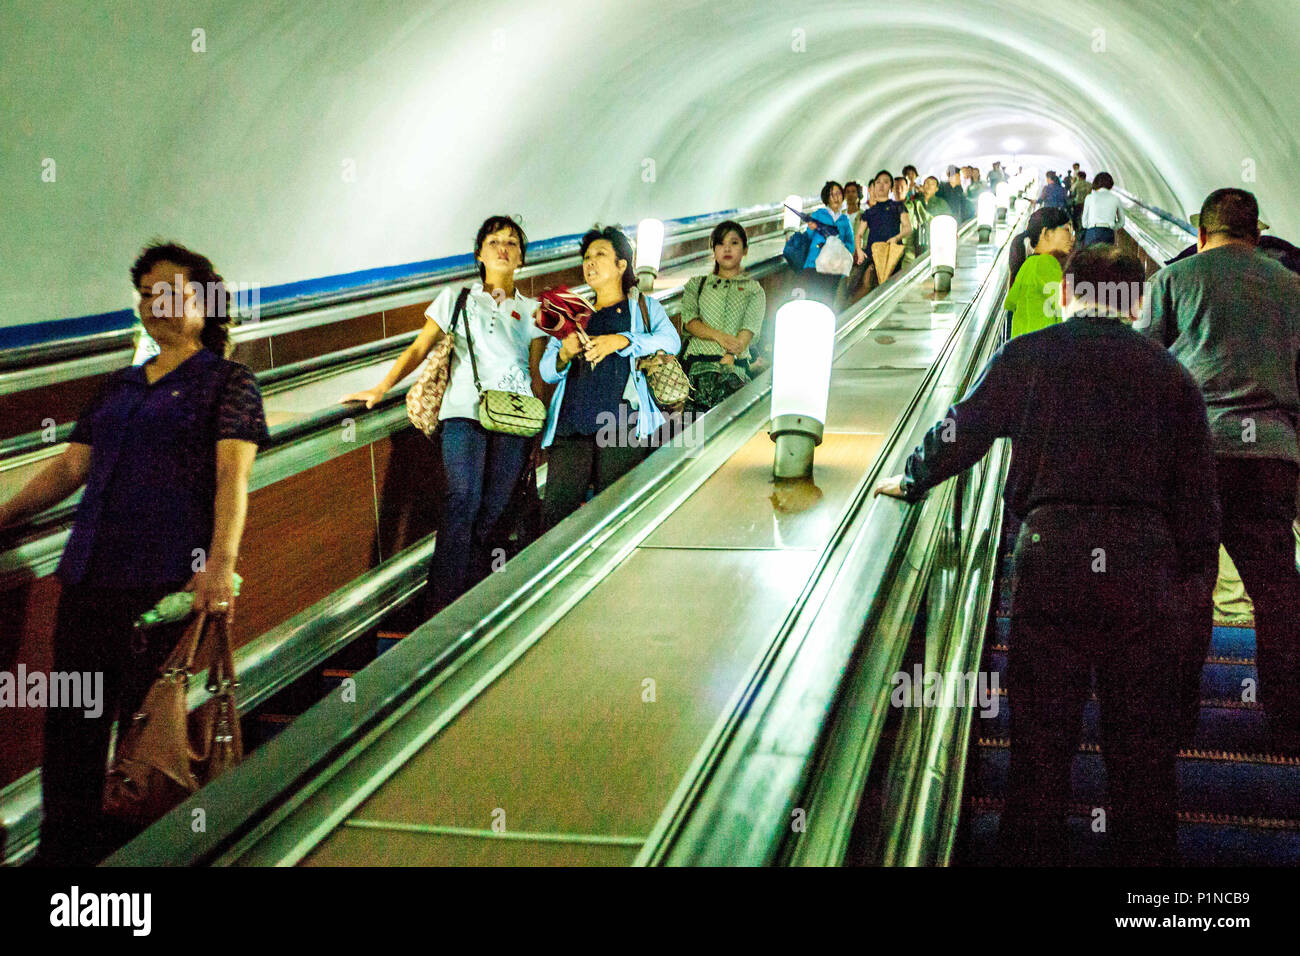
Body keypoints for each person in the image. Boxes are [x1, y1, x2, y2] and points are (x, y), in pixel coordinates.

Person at [875, 246, 1218, 866]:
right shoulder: (1172, 377)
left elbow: (964, 428)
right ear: (1137, 302)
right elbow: (1199, 516)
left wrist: (914, 476)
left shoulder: (1030, 355)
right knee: (1141, 754)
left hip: (1050, 552)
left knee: (1039, 743)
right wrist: (1193, 619)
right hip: (1143, 567)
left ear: (1066, 294)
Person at [0, 242, 269, 866]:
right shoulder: (117, 386)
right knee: (71, 732)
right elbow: (70, 468)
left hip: (163, 590)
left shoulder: (228, 383)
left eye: (171, 289)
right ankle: (64, 863)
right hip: (89, 584)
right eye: (147, 292)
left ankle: (142, 863)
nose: (157, 301)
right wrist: (4, 516)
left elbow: (234, 480)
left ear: (204, 302)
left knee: (144, 738)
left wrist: (221, 564)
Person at [1139, 187, 1300, 754]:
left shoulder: (1175, 280)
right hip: (1272, 458)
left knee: (1190, 586)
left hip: (1195, 454)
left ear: (1201, 235)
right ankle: (1287, 722)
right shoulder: (1292, 288)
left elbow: (1145, 369)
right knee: (1279, 591)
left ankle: (1175, 719)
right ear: (1257, 235)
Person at [342, 215, 546, 614]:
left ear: (521, 257)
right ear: (479, 254)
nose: (503, 248)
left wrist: (540, 432)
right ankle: (443, 604)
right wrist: (381, 387)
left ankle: (473, 592)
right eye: (494, 242)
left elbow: (536, 375)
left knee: (495, 507)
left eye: (511, 243)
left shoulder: (534, 310)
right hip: (464, 412)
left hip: (516, 419)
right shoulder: (456, 298)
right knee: (462, 497)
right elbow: (419, 349)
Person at [540, 226, 680, 529]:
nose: (590, 262)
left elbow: (671, 342)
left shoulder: (642, 307)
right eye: (587, 257)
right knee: (557, 518)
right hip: (571, 426)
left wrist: (623, 341)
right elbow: (546, 372)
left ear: (621, 265)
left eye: (600, 255)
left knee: (615, 513)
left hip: (622, 425)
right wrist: (564, 354)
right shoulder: (572, 312)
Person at [679, 220, 765, 413]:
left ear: (745, 250)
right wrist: (719, 336)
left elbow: (749, 328)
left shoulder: (754, 290)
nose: (727, 248)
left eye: (734, 243)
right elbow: (690, 321)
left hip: (735, 370)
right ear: (714, 250)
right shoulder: (697, 284)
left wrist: (731, 354)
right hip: (696, 371)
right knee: (694, 433)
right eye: (720, 243)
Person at [1003, 207, 1073, 337]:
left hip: (1026, 350)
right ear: (1046, 232)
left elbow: (1011, 303)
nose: (1072, 238)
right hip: (1044, 351)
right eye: (1067, 230)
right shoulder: (1045, 263)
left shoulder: (1028, 265)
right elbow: (1067, 310)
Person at [799, 180, 855, 306]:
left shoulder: (844, 220)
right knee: (813, 298)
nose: (836, 198)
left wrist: (840, 250)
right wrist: (812, 228)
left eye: (839, 194)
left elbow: (850, 244)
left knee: (828, 300)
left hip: (834, 268)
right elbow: (808, 236)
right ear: (827, 198)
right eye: (832, 195)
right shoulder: (818, 215)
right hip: (815, 266)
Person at [859, 169, 912, 285]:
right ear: (873, 187)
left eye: (886, 182)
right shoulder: (869, 212)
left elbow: (908, 228)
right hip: (872, 255)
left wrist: (896, 238)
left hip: (892, 254)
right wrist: (859, 250)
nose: (881, 186)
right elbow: (859, 234)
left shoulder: (898, 207)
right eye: (878, 182)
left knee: (890, 284)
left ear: (891, 188)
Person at [1079, 172, 1124, 247]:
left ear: (1095, 183)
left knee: (1090, 256)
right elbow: (1122, 222)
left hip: (1092, 232)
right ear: (1110, 183)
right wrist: (1112, 226)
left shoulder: (1089, 197)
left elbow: (1084, 223)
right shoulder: (1116, 199)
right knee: (1107, 257)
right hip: (1108, 233)